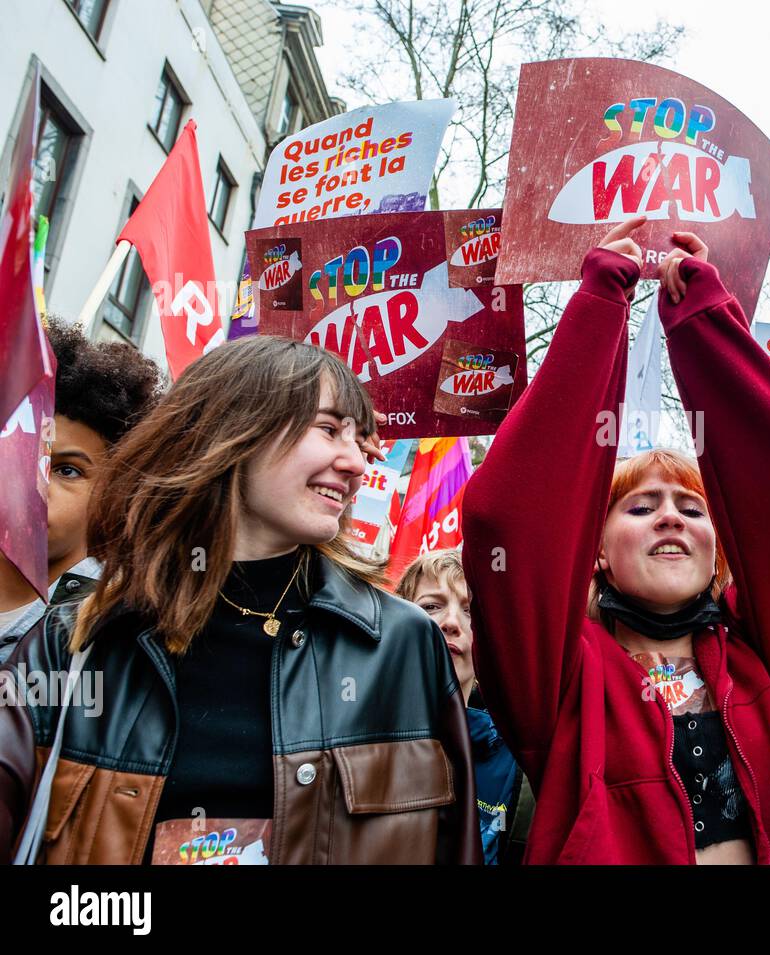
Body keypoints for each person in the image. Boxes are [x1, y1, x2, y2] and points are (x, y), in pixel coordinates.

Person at [0, 336, 480, 865]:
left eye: (356, 438)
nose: (355, 462)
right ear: (233, 430)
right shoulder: (75, 643)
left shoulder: (401, 645)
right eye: (328, 429)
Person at [462, 219, 770, 864]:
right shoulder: (556, 676)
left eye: (693, 509)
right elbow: (512, 515)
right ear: (596, 550)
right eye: (641, 507)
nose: (671, 518)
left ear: (719, 549)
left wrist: (702, 317)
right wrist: (601, 305)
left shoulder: (760, 650)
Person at [0, 319, 161, 662]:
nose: (32, 485)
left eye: (66, 470)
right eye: (16, 457)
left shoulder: (125, 633)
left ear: (115, 491)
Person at [396, 549, 522, 865]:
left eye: (471, 612)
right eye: (431, 606)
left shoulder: (519, 762)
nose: (451, 622)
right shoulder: (346, 731)